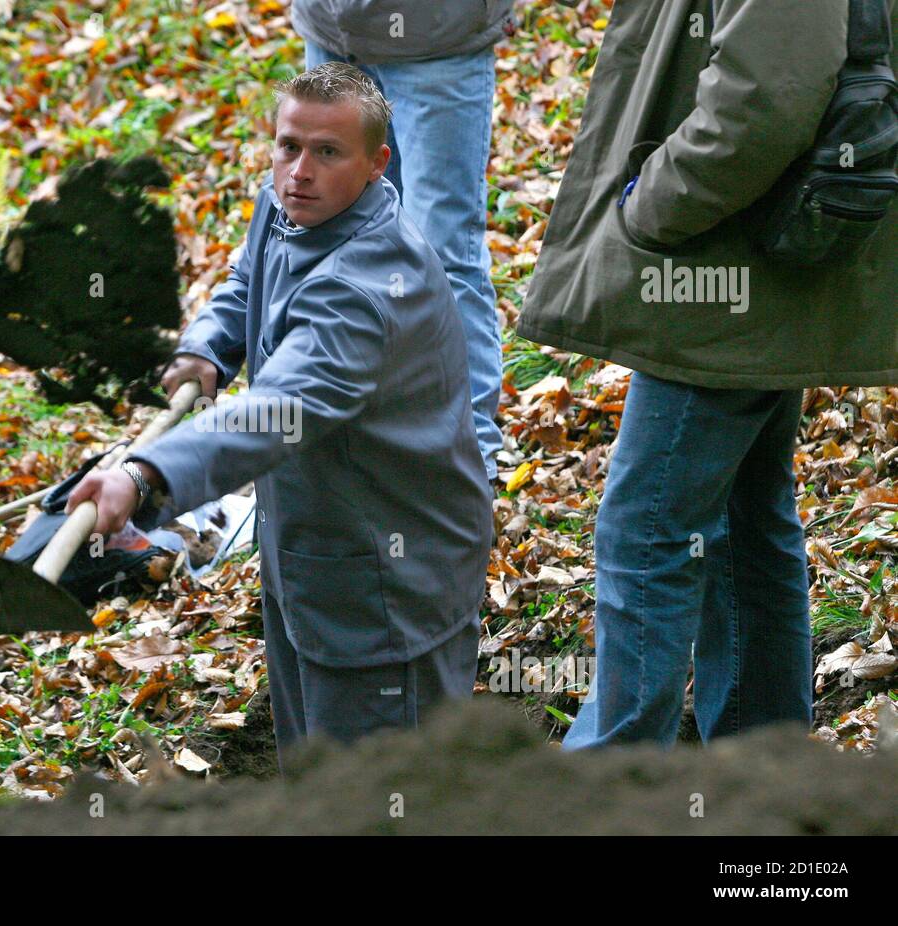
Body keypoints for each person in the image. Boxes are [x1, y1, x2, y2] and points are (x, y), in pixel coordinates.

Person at [67, 63, 493, 763]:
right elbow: (248, 281)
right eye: (288, 145)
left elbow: (275, 412)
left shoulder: (369, 288)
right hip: (313, 560)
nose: (300, 170)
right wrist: (208, 349)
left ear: (376, 164)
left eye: (328, 152)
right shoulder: (292, 206)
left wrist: (144, 476)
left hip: (390, 581)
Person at [517, 0, 898, 747]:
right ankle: (764, 777)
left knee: (649, 530)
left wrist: (650, 204)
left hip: (728, 274)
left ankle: (610, 795)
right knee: (738, 522)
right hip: (756, 261)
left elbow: (765, 98)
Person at [289, 0, 514, 479]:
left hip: (436, 37)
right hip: (332, 32)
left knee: (441, 255)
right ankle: (362, 440)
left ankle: (467, 464)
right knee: (340, 242)